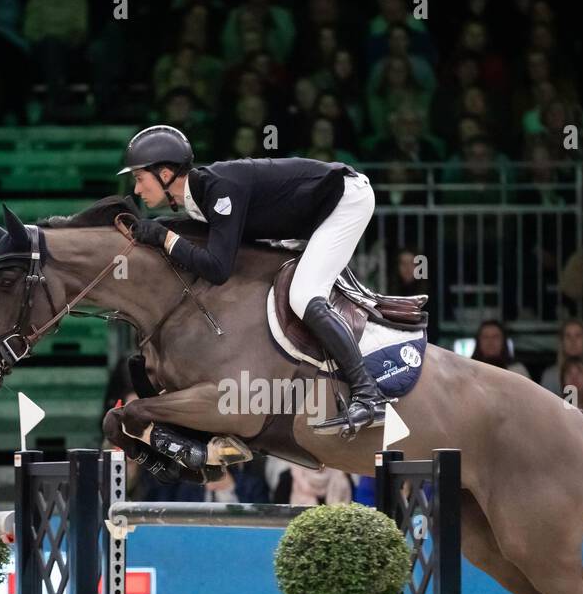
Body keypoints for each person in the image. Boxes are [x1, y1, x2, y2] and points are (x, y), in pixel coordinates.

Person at [120, 124, 387, 438]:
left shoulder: (220, 189)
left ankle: (369, 395)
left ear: (165, 174)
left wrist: (165, 237)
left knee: (303, 296)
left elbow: (218, 268)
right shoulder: (201, 198)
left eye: (140, 178)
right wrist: (160, 231)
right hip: (311, 215)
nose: (137, 189)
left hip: (344, 201)